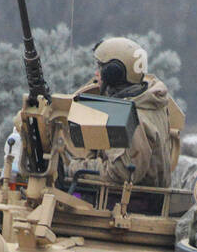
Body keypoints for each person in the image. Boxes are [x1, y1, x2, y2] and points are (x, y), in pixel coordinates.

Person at [68, 37, 180, 188]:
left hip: (132, 202)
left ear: (113, 73)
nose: (96, 74)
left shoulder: (132, 117)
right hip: (140, 199)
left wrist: (73, 167)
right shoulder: (150, 101)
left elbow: (122, 173)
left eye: (100, 69)